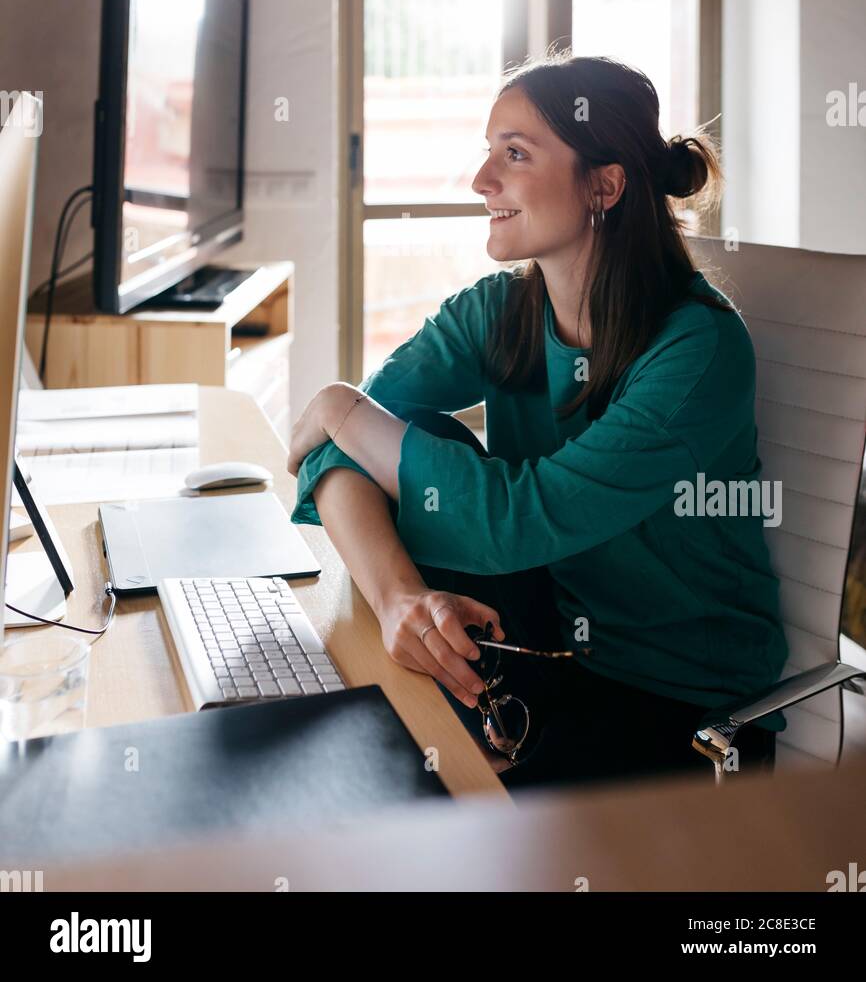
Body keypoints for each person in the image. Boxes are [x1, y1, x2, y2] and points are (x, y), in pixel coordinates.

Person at [287, 53, 788, 791]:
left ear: (604, 185)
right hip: (546, 644)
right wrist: (397, 598)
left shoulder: (700, 352)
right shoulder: (499, 310)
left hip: (682, 706)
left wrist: (339, 406)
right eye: (489, 152)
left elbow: (520, 518)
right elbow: (344, 451)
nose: (481, 181)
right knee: (411, 430)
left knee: (438, 834)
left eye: (515, 154)